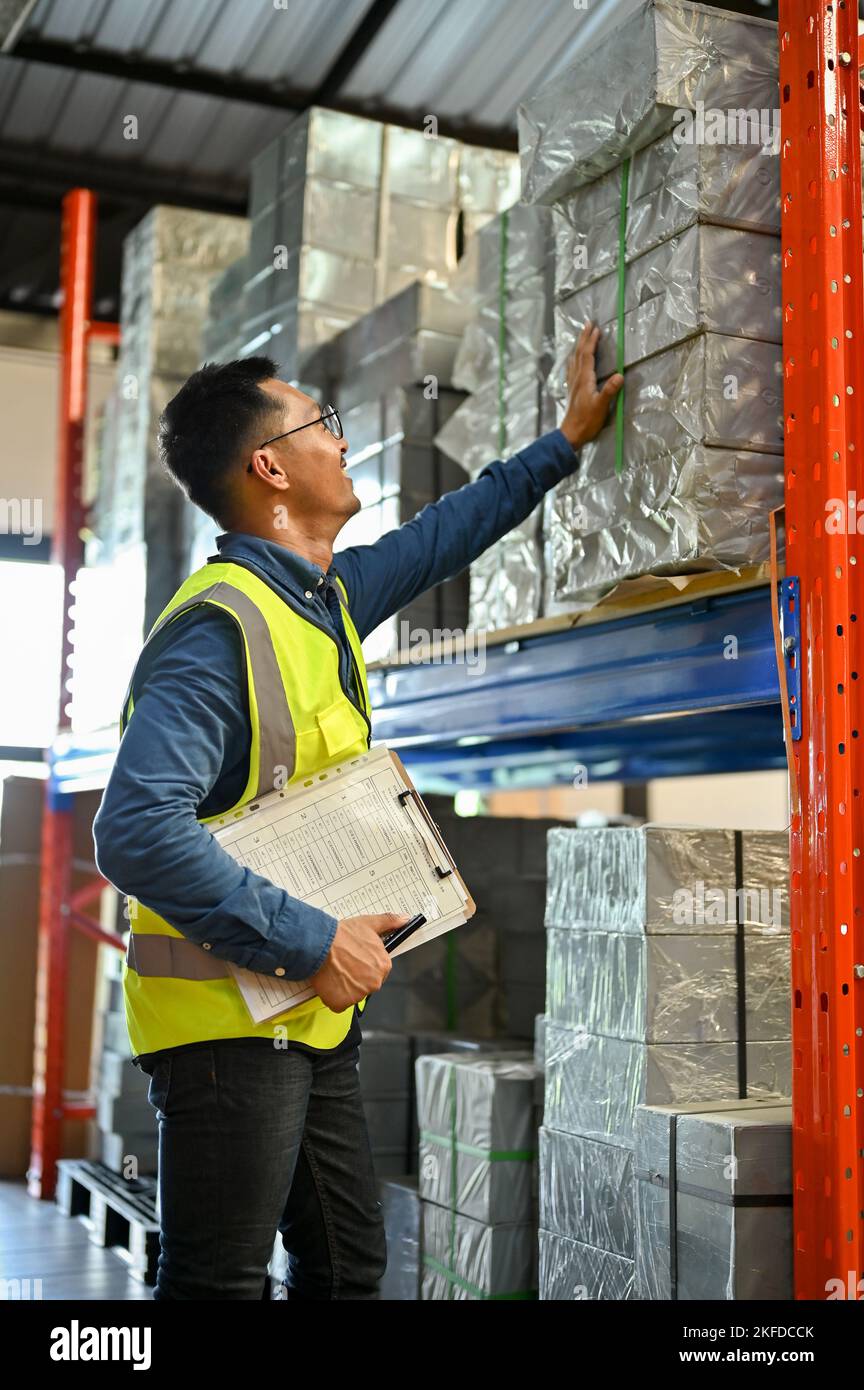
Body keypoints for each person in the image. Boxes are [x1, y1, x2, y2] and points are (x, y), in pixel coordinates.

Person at [93, 322, 622, 1300]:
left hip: (307, 1013)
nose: (340, 439)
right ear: (271, 466)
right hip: (227, 1022)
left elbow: (436, 539)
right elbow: (133, 829)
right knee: (221, 1281)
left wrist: (564, 443)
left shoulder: (320, 599)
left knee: (346, 1267)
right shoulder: (217, 630)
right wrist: (311, 939)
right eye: (321, 423)